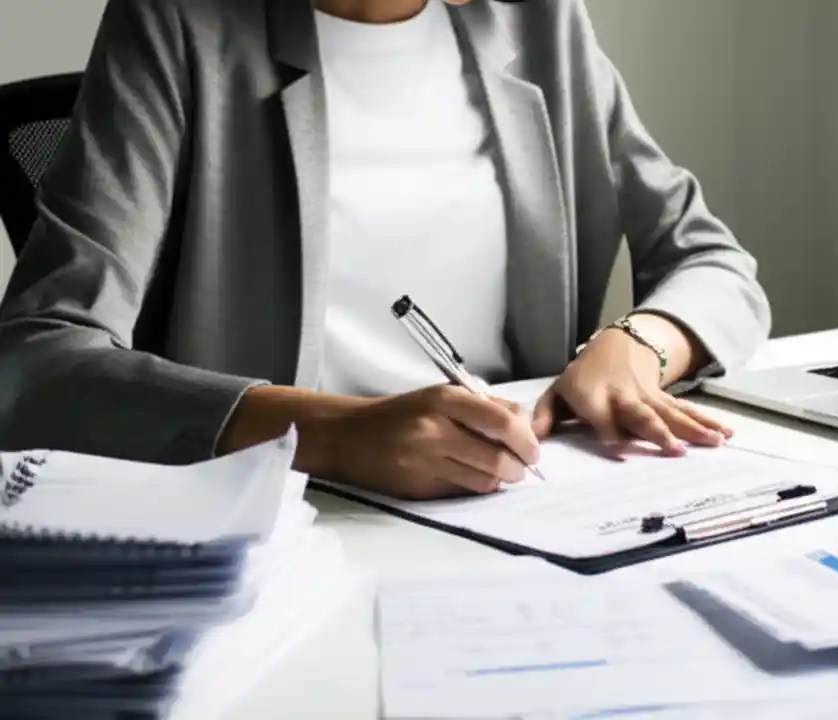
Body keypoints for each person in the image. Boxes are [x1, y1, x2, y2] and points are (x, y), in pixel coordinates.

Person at [0, 0, 770, 500]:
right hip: (288, 523)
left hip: (519, 505)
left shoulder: (541, 21)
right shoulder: (175, 23)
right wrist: (327, 434)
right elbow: (36, 358)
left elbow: (714, 265)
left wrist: (636, 347)